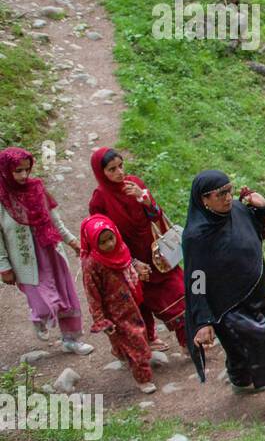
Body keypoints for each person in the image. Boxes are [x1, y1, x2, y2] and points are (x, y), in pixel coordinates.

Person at [182, 170, 265, 403]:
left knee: (257, 337)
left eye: (229, 190)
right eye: (220, 194)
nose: (227, 197)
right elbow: (196, 278)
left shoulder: (238, 210)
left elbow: (261, 232)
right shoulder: (196, 235)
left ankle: (241, 381)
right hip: (225, 301)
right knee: (261, 339)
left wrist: (262, 208)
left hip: (254, 288)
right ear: (204, 199)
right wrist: (202, 320)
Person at [89, 147, 187, 350]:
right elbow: (103, 236)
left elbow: (157, 217)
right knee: (139, 301)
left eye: (121, 166)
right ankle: (149, 339)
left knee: (177, 291)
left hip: (155, 253)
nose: (119, 172)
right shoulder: (100, 199)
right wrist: (130, 262)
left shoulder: (135, 184)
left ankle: (188, 341)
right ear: (101, 173)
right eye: (112, 169)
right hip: (127, 258)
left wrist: (145, 200)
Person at [0, 147, 93, 354]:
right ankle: (39, 316)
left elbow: (56, 222)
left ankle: (71, 339)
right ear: (6, 171)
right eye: (18, 171)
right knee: (42, 302)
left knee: (65, 293)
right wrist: (4, 266)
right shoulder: (1, 200)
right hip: (25, 260)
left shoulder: (37, 188)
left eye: (27, 169)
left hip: (50, 250)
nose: (24, 175)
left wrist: (72, 242)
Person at [79, 214, 155, 393]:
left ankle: (124, 353)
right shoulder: (92, 265)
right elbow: (92, 294)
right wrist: (100, 319)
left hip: (132, 305)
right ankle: (143, 378)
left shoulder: (121, 249)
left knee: (134, 338)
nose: (109, 244)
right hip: (114, 313)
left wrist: (138, 270)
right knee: (136, 340)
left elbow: (128, 266)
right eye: (102, 242)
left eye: (110, 238)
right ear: (92, 242)